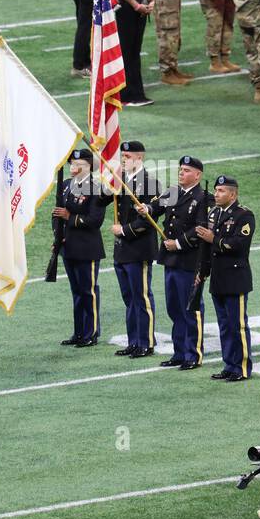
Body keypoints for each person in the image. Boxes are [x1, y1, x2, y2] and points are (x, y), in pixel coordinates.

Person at [138, 155, 208, 370]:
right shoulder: (173, 192)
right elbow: (156, 206)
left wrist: (177, 244)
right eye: (180, 169)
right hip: (170, 260)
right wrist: (146, 209)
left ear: (198, 175)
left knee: (191, 309)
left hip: (188, 260)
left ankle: (193, 355)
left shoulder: (204, 198)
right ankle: (179, 352)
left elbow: (200, 230)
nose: (181, 173)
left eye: (186, 170)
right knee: (174, 308)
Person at [103, 142, 159, 358]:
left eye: (127, 155)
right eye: (122, 155)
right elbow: (100, 201)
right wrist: (108, 185)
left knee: (141, 297)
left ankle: (146, 342)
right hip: (122, 251)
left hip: (138, 250)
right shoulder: (119, 181)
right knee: (129, 298)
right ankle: (133, 341)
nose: (123, 159)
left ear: (139, 158)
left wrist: (124, 230)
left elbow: (149, 220)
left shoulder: (150, 183)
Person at [196, 175, 254, 381]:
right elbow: (206, 249)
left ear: (233, 194)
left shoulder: (244, 216)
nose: (216, 194)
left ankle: (243, 368)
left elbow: (239, 245)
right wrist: (202, 272)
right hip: (218, 279)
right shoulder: (213, 214)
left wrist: (214, 239)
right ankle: (229, 365)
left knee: (237, 325)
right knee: (224, 325)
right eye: (216, 190)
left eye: (221, 191)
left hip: (235, 278)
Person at [53, 149, 105, 347]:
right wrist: (58, 236)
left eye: (79, 164)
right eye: (72, 164)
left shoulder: (96, 188)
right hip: (69, 247)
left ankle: (91, 332)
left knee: (88, 291)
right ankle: (79, 332)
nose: (74, 168)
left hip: (87, 248)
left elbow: (95, 220)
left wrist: (70, 218)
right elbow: (56, 213)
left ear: (89, 166)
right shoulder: (66, 185)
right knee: (76, 291)